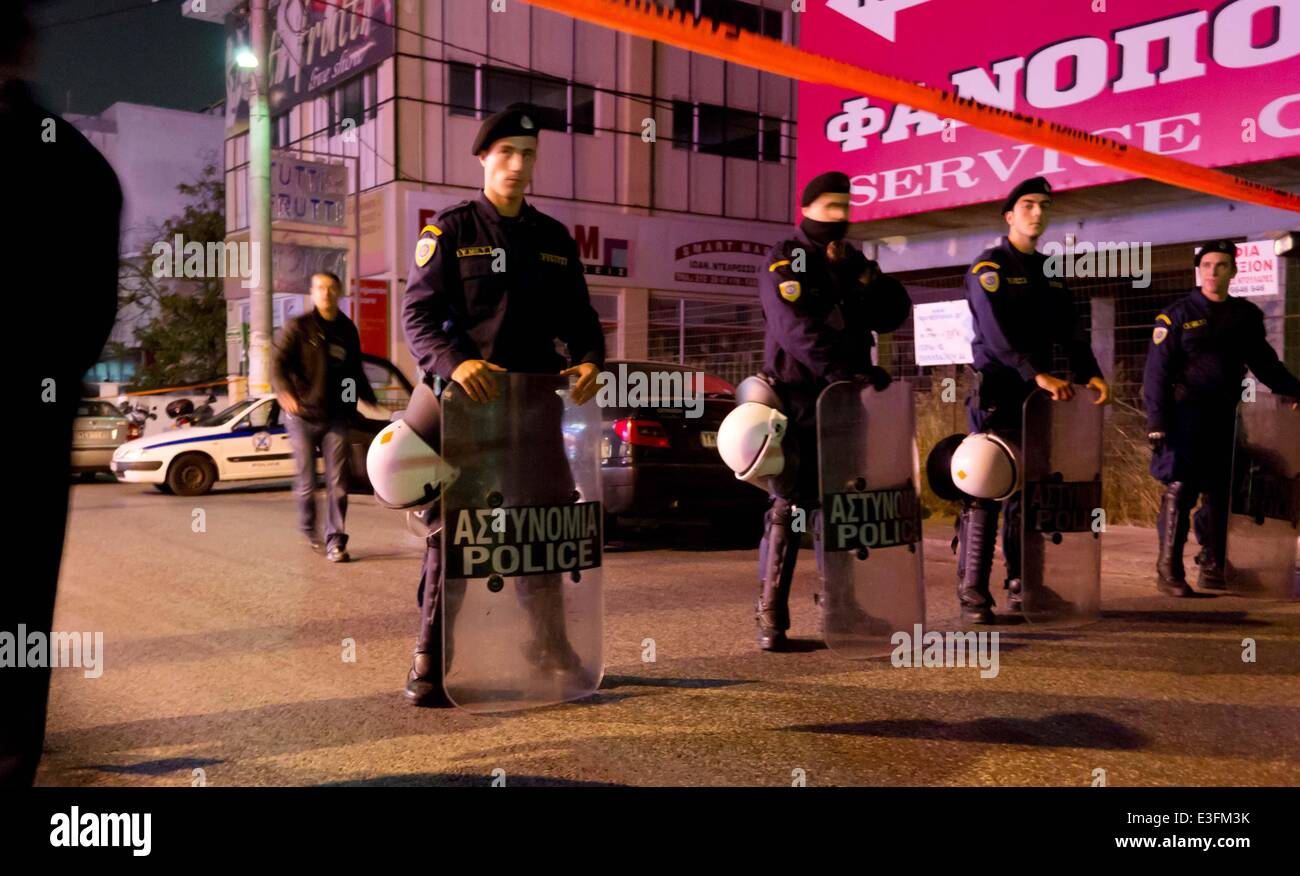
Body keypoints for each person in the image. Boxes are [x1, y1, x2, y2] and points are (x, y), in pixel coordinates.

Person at [400, 103, 605, 706]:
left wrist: (592, 358)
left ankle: (549, 643)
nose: (518, 165)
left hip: (535, 406)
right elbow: (416, 315)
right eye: (507, 154)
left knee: (540, 529)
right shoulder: (451, 231)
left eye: (529, 155)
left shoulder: (553, 239)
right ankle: (433, 658)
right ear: (485, 159)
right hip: (469, 408)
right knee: (457, 534)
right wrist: (453, 363)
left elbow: (582, 320)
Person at [2, 0, 122, 785]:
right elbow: (91, 314)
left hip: (27, 416)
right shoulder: (80, 164)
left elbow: (89, 311)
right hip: (32, 420)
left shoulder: (71, 165)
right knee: (20, 595)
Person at [749, 171, 912, 651]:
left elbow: (891, 314)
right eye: (831, 207)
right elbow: (793, 329)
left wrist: (868, 278)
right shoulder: (785, 258)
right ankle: (771, 616)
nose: (841, 216)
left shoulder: (850, 258)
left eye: (846, 206)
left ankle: (843, 608)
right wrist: (843, 369)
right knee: (790, 503)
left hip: (847, 398)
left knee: (843, 505)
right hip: (799, 399)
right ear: (808, 209)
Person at [958, 176, 1110, 624]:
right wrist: (1036, 373)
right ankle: (972, 592)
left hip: (1040, 395)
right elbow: (995, 334)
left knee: (1032, 492)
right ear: (1009, 215)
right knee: (986, 485)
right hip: (1001, 391)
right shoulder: (989, 268)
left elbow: (1071, 332)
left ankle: (1025, 583)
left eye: (1044, 205)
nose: (1037, 213)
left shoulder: (1050, 273)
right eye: (1027, 205)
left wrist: (1091, 374)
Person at [1142, 239, 1300, 596]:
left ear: (1233, 270)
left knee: (1220, 493)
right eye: (1208, 265)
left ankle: (1214, 565)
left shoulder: (1244, 316)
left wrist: (1294, 390)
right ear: (1200, 271)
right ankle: (1168, 570)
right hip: (1182, 419)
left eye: (1222, 265)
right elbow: (1155, 374)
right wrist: (1156, 423)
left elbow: (1265, 364)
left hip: (1224, 417)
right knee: (1180, 491)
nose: (1214, 271)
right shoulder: (1176, 316)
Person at [272, 271, 377, 563]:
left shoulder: (347, 329)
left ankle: (336, 541)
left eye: (331, 288)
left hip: (335, 418)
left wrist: (363, 400)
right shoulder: (299, 327)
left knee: (338, 482)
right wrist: (286, 393)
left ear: (339, 291)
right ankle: (308, 527)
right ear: (312, 293)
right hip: (302, 415)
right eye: (320, 288)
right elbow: (277, 365)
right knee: (307, 483)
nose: (326, 293)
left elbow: (353, 371)